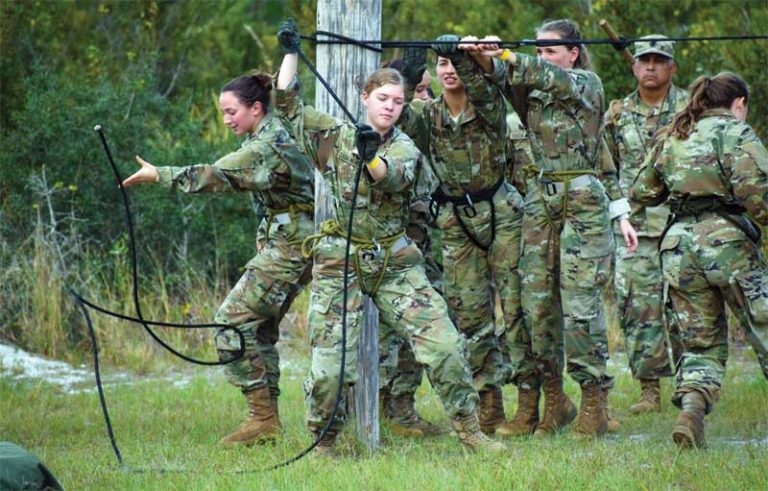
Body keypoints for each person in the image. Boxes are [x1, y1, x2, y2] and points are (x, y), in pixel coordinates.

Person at [275, 20, 506, 456]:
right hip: (339, 258)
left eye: (399, 101)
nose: (391, 107)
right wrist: (291, 50)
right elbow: (287, 102)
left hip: (393, 261)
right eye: (383, 99)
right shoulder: (333, 135)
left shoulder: (404, 147)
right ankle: (323, 440)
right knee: (329, 367)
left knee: (444, 346)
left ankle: (470, 431)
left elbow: (392, 179)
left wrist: (370, 158)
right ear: (365, 98)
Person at [122, 72, 315, 446]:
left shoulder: (266, 146)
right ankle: (266, 422)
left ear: (256, 109)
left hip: (293, 246)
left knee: (230, 322)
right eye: (223, 112)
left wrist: (157, 174)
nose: (226, 120)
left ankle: (262, 419)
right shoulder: (275, 128)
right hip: (292, 243)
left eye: (231, 112)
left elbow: (215, 175)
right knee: (257, 330)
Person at [476, 19, 638, 438]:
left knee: (581, 306)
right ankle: (553, 398)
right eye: (539, 48)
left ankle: (594, 403)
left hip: (582, 201)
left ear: (573, 53)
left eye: (552, 49)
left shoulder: (587, 83)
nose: (544, 55)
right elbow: (500, 78)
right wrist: (477, 53)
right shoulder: (533, 88)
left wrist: (510, 55)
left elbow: (541, 73)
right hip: (539, 201)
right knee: (536, 304)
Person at [631, 72, 768, 449]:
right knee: (765, 327)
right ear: (739, 103)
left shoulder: (673, 134)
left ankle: (691, 412)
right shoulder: (736, 133)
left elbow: (642, 190)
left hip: (678, 248)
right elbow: (757, 193)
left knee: (700, 344)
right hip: (727, 244)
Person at [397, 35, 526, 436]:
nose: (449, 70)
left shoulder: (488, 106)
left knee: (518, 308)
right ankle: (489, 402)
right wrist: (405, 77)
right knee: (470, 315)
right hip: (456, 219)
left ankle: (533, 399)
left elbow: (487, 91)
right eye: (442, 65)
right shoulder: (427, 114)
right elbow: (397, 118)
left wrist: (461, 54)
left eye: (454, 64)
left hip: (501, 212)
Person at [604, 35, 689, 415]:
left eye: (659, 60)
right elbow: (607, 165)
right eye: (644, 60)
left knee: (687, 308)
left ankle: (692, 387)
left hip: (681, 223)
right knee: (638, 308)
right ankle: (650, 389)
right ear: (634, 66)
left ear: (672, 67)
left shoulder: (692, 109)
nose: (651, 67)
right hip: (634, 227)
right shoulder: (617, 114)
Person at [377, 58, 448, 438]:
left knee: (421, 324)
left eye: (424, 91)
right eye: (414, 92)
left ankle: (401, 405)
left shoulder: (427, 128)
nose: (421, 99)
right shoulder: (384, 131)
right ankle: (380, 404)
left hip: (420, 242)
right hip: (384, 245)